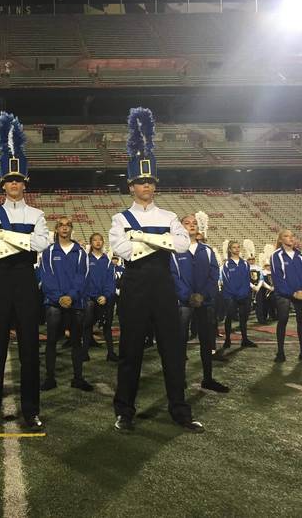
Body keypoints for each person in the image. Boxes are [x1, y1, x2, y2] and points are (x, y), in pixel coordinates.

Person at [109, 107, 202, 433]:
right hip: (134, 285)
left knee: (172, 351)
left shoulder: (169, 215)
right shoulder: (120, 218)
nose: (146, 186)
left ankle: (180, 410)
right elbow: (121, 251)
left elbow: (180, 244)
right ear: (131, 186)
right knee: (130, 352)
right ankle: (125, 410)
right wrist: (156, 240)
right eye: (140, 182)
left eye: (150, 181)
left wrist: (141, 238)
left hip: (162, 284)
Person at [0, 112, 49, 432]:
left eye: (18, 180)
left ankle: (31, 410)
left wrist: (5, 237)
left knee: (30, 348)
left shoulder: (37, 213)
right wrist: (23, 241)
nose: (14, 184)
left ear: (25, 182)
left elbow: (43, 243)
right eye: (9, 180)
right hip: (0, 279)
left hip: (24, 278)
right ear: (3, 183)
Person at [170, 214, 229, 393]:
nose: (192, 225)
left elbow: (214, 276)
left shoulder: (208, 250)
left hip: (205, 302)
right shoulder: (173, 251)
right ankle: (179, 379)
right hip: (184, 303)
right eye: (187, 223)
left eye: (194, 223)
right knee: (180, 342)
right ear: (180, 228)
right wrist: (188, 296)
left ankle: (208, 378)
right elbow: (172, 275)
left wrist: (202, 295)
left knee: (206, 341)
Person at [39, 216, 93, 392]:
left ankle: (78, 378)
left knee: (76, 342)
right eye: (61, 225)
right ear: (56, 229)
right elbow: (46, 277)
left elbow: (83, 276)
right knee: (52, 341)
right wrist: (59, 297)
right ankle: (50, 378)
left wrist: (70, 296)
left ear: (71, 229)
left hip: (75, 303)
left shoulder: (81, 252)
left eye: (68, 225)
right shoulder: (48, 252)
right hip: (54, 304)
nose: (64, 228)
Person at [270, 229, 302, 362]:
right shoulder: (276, 256)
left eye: (292, 236)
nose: (291, 238)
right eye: (286, 236)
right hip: (284, 294)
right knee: (283, 320)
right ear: (281, 240)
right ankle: (280, 352)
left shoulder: (301, 256)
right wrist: (291, 292)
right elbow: (278, 278)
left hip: (301, 293)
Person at [84, 233, 118, 362]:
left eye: (100, 240)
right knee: (87, 325)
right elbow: (84, 280)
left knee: (107, 327)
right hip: (91, 299)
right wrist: (92, 296)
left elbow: (110, 281)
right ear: (91, 242)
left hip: (105, 298)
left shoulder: (108, 261)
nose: (98, 242)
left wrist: (106, 295)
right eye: (94, 240)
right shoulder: (86, 260)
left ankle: (110, 353)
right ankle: (84, 352)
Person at [221, 241, 257, 349]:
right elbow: (226, 281)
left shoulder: (245, 263)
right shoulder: (227, 264)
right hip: (231, 296)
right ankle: (227, 339)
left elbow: (247, 280)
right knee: (229, 317)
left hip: (243, 295)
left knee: (243, 318)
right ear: (230, 250)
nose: (236, 249)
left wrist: (244, 293)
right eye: (234, 247)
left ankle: (244, 339)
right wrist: (235, 293)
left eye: (238, 247)